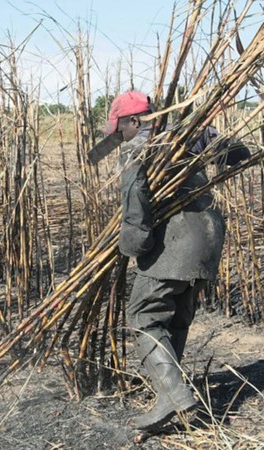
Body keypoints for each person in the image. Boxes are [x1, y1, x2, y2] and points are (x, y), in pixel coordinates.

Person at [100, 91, 251, 431]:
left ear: (134, 121)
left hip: (178, 241)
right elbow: (240, 153)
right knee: (177, 318)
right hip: (209, 236)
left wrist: (135, 247)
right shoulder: (184, 135)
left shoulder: (137, 147)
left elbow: (135, 207)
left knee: (144, 316)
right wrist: (207, 135)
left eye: (120, 129)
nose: (119, 136)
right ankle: (174, 391)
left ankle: (172, 396)